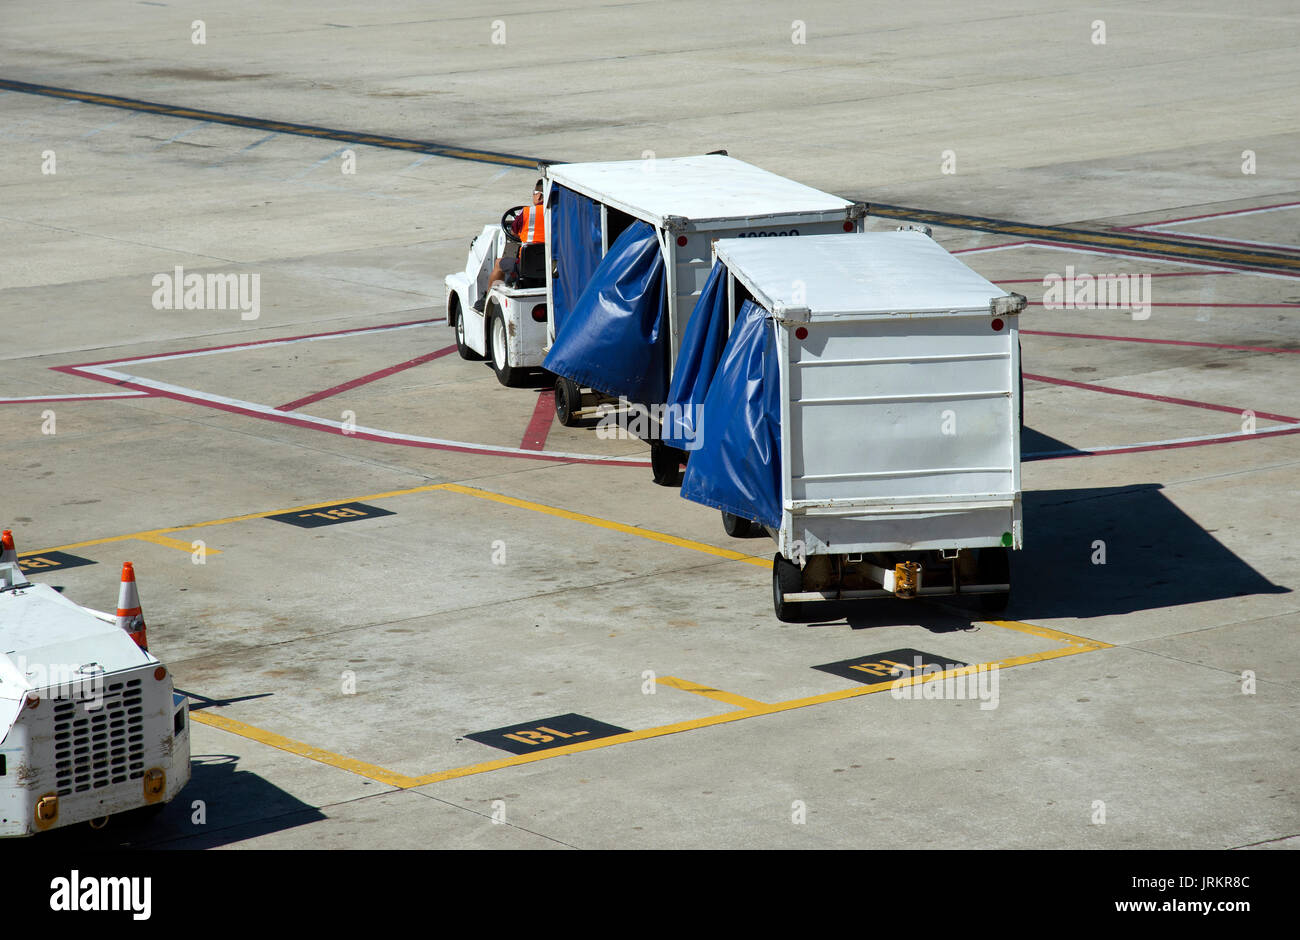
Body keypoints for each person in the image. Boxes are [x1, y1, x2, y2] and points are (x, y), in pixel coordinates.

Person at [476, 180, 545, 310]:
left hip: (525, 266)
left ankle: (488, 301)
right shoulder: (559, 214)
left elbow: (514, 232)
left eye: (534, 194)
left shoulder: (527, 213)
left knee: (498, 263)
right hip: (550, 265)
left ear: (539, 196)